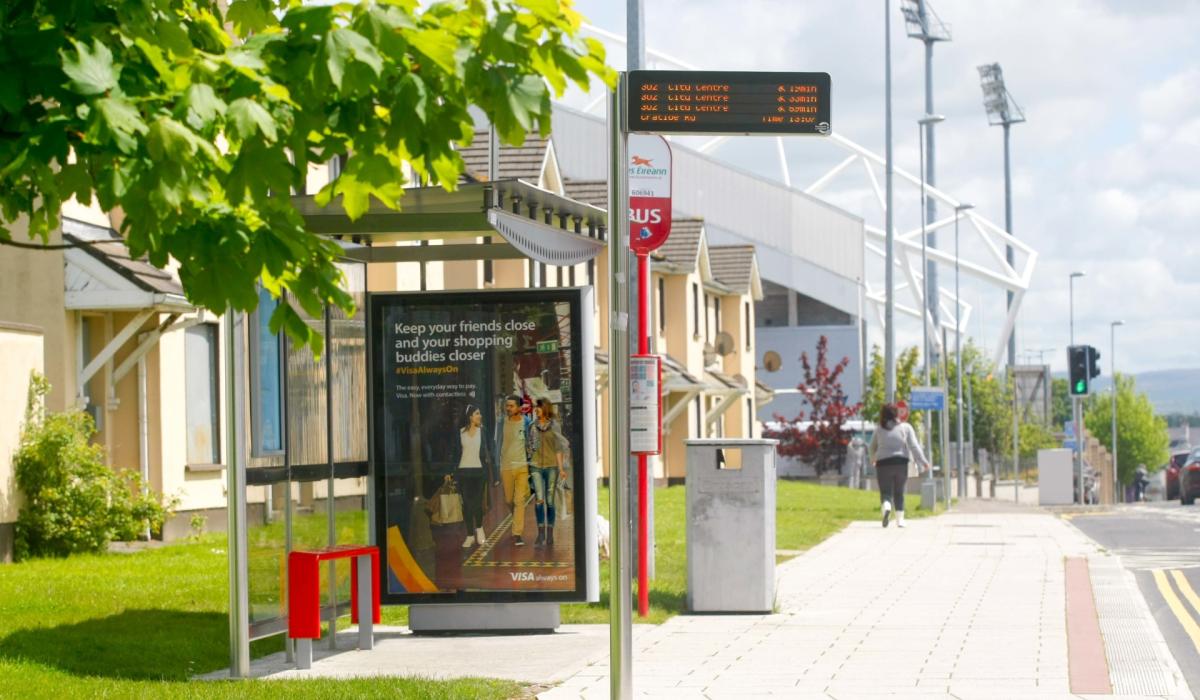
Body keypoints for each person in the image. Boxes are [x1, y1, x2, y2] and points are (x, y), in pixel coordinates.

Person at [869, 403, 931, 528]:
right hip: (901, 463)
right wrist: (923, 461)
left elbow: (872, 446)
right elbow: (914, 446)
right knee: (899, 491)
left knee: (886, 492)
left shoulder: (879, 429)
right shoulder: (905, 427)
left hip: (883, 463)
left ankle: (886, 506)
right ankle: (900, 520)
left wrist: (873, 459)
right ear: (896, 414)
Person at [452, 404, 494, 548]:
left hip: (479, 472)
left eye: (480, 413)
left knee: (476, 503)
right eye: (477, 413)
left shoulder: (483, 431)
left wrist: (493, 473)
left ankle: (480, 530)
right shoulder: (460, 433)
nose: (479, 416)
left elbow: (490, 451)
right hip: (463, 472)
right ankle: (470, 535)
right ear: (470, 416)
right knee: (466, 505)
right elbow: (456, 454)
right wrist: (451, 472)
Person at [528, 398, 567, 546]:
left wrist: (561, 469)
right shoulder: (532, 426)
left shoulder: (555, 427)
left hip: (551, 467)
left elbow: (558, 449)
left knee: (550, 501)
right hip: (536, 467)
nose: (536, 409)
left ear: (545, 408)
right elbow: (529, 447)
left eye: (538, 407)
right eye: (535, 407)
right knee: (539, 500)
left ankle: (550, 534)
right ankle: (540, 534)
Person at [497, 395, 532, 546]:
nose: (508, 408)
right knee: (509, 500)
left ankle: (517, 533)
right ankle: (516, 518)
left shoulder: (527, 423)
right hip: (505, 467)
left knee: (519, 501)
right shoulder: (500, 423)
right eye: (507, 406)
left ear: (519, 408)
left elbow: (532, 443)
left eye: (511, 406)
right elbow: (496, 443)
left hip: (522, 466)